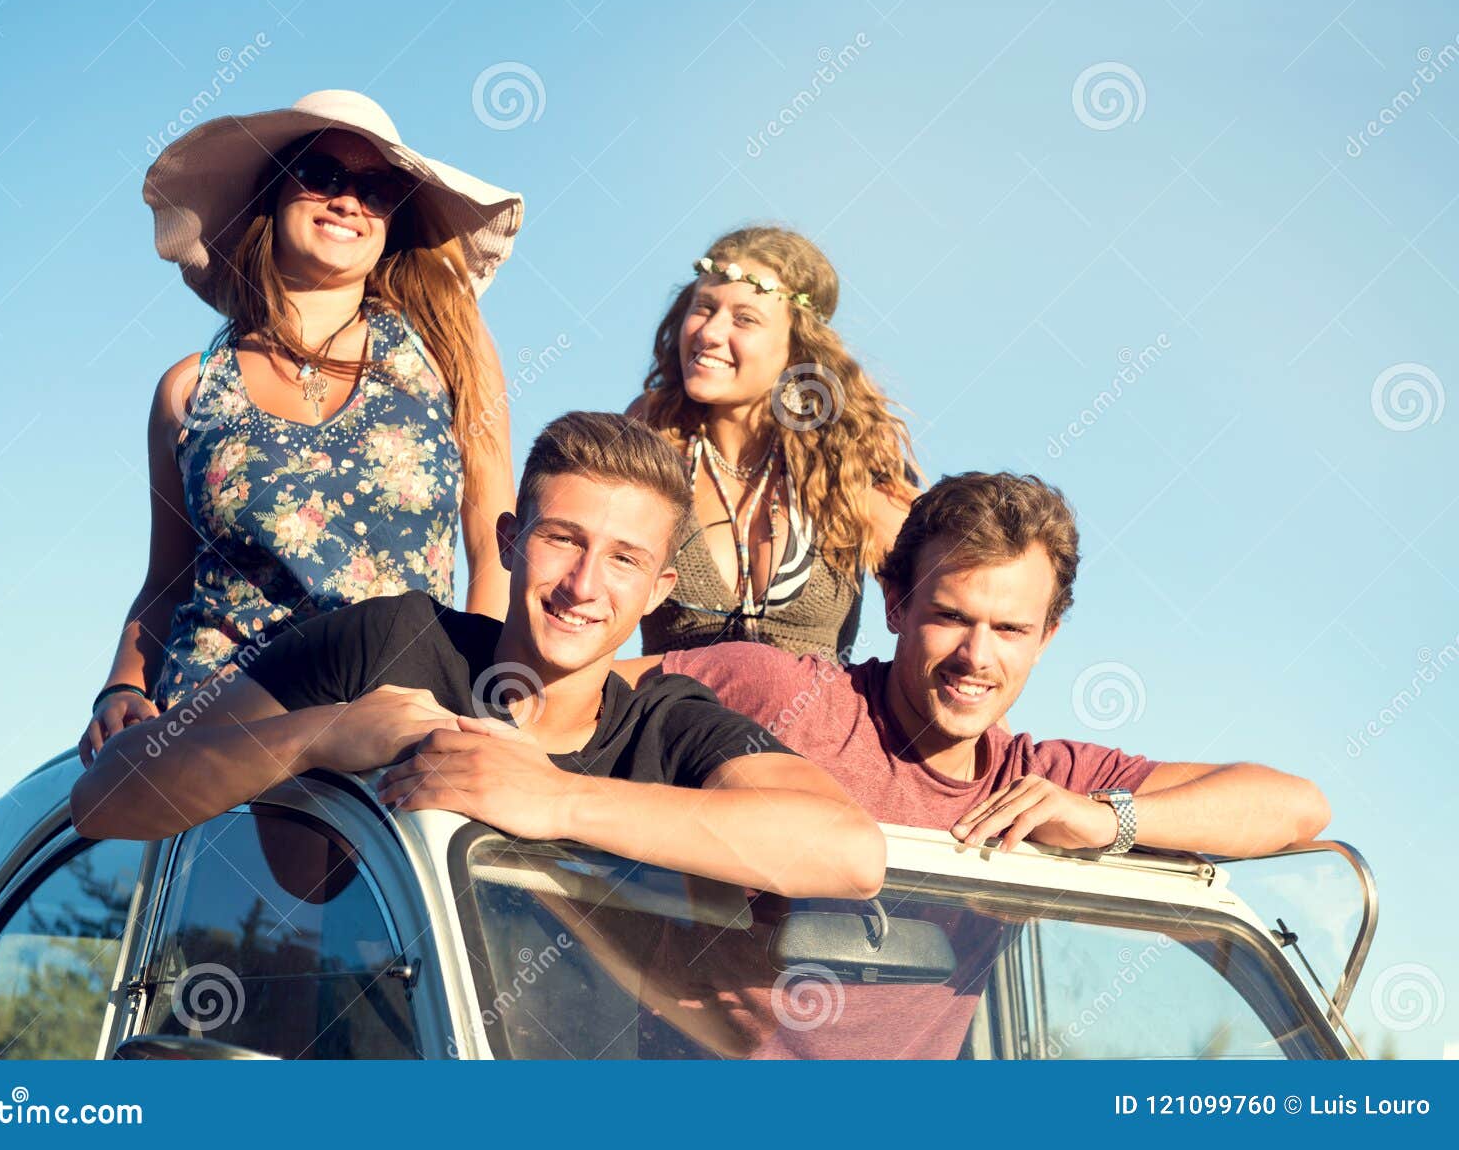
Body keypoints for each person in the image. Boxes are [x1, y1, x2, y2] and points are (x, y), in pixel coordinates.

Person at [615, 471, 1331, 1057]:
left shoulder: (1039, 779)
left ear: (1047, 637)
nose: (976, 658)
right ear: (896, 604)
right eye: (952, 617)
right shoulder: (779, 693)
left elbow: (1295, 806)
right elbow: (563, 698)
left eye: (1011, 629)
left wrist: (1106, 818)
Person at [70, 413, 885, 901]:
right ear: (509, 540)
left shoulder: (672, 728)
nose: (583, 586)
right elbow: (106, 798)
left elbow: (850, 854)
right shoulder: (388, 642)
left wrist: (554, 800)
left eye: (624, 560)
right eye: (563, 540)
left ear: (660, 589)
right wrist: (321, 737)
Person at [79, 90, 521, 764]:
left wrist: (480, 698)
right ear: (274, 197)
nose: (349, 201)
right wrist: (119, 688)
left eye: (377, 190)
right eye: (321, 176)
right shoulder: (188, 390)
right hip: (220, 730)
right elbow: (167, 582)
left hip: (396, 714)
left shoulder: (447, 349)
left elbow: (496, 549)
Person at [628, 225, 922, 661]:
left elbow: (953, 601)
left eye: (744, 319)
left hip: (810, 724)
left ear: (797, 347)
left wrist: (987, 731)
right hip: (666, 722)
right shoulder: (652, 431)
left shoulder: (848, 458)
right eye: (704, 307)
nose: (709, 333)